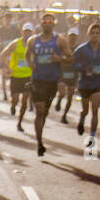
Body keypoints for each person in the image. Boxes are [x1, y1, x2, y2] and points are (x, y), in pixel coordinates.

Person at [26, 11, 70, 156]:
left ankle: (40, 136)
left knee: (44, 112)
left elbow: (70, 58)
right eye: (45, 22)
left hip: (51, 80)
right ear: (41, 23)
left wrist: (60, 58)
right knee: (39, 111)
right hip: (37, 80)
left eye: (50, 22)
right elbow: (27, 55)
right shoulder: (33, 40)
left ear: (54, 24)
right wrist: (30, 63)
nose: (47, 24)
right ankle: (39, 143)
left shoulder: (60, 40)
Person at [73, 21, 100, 145]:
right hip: (84, 83)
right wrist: (84, 68)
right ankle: (82, 118)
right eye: (93, 33)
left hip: (97, 83)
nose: (95, 35)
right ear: (88, 34)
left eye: (97, 33)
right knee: (86, 110)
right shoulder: (82, 49)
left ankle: (92, 136)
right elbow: (73, 63)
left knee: (95, 110)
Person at [0, 23, 34, 131]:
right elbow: (2, 55)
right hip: (15, 76)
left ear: (32, 33)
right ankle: (13, 105)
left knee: (24, 101)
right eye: (26, 31)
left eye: (29, 32)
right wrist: (7, 67)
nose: (27, 34)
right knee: (15, 99)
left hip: (28, 76)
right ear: (22, 32)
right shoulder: (15, 43)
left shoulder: (34, 45)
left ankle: (19, 122)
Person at [54, 29, 80, 123]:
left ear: (77, 37)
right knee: (62, 93)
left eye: (74, 36)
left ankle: (64, 115)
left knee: (70, 97)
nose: (72, 38)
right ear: (68, 36)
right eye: (71, 36)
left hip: (73, 75)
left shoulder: (79, 49)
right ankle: (59, 100)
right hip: (62, 73)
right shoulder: (62, 47)